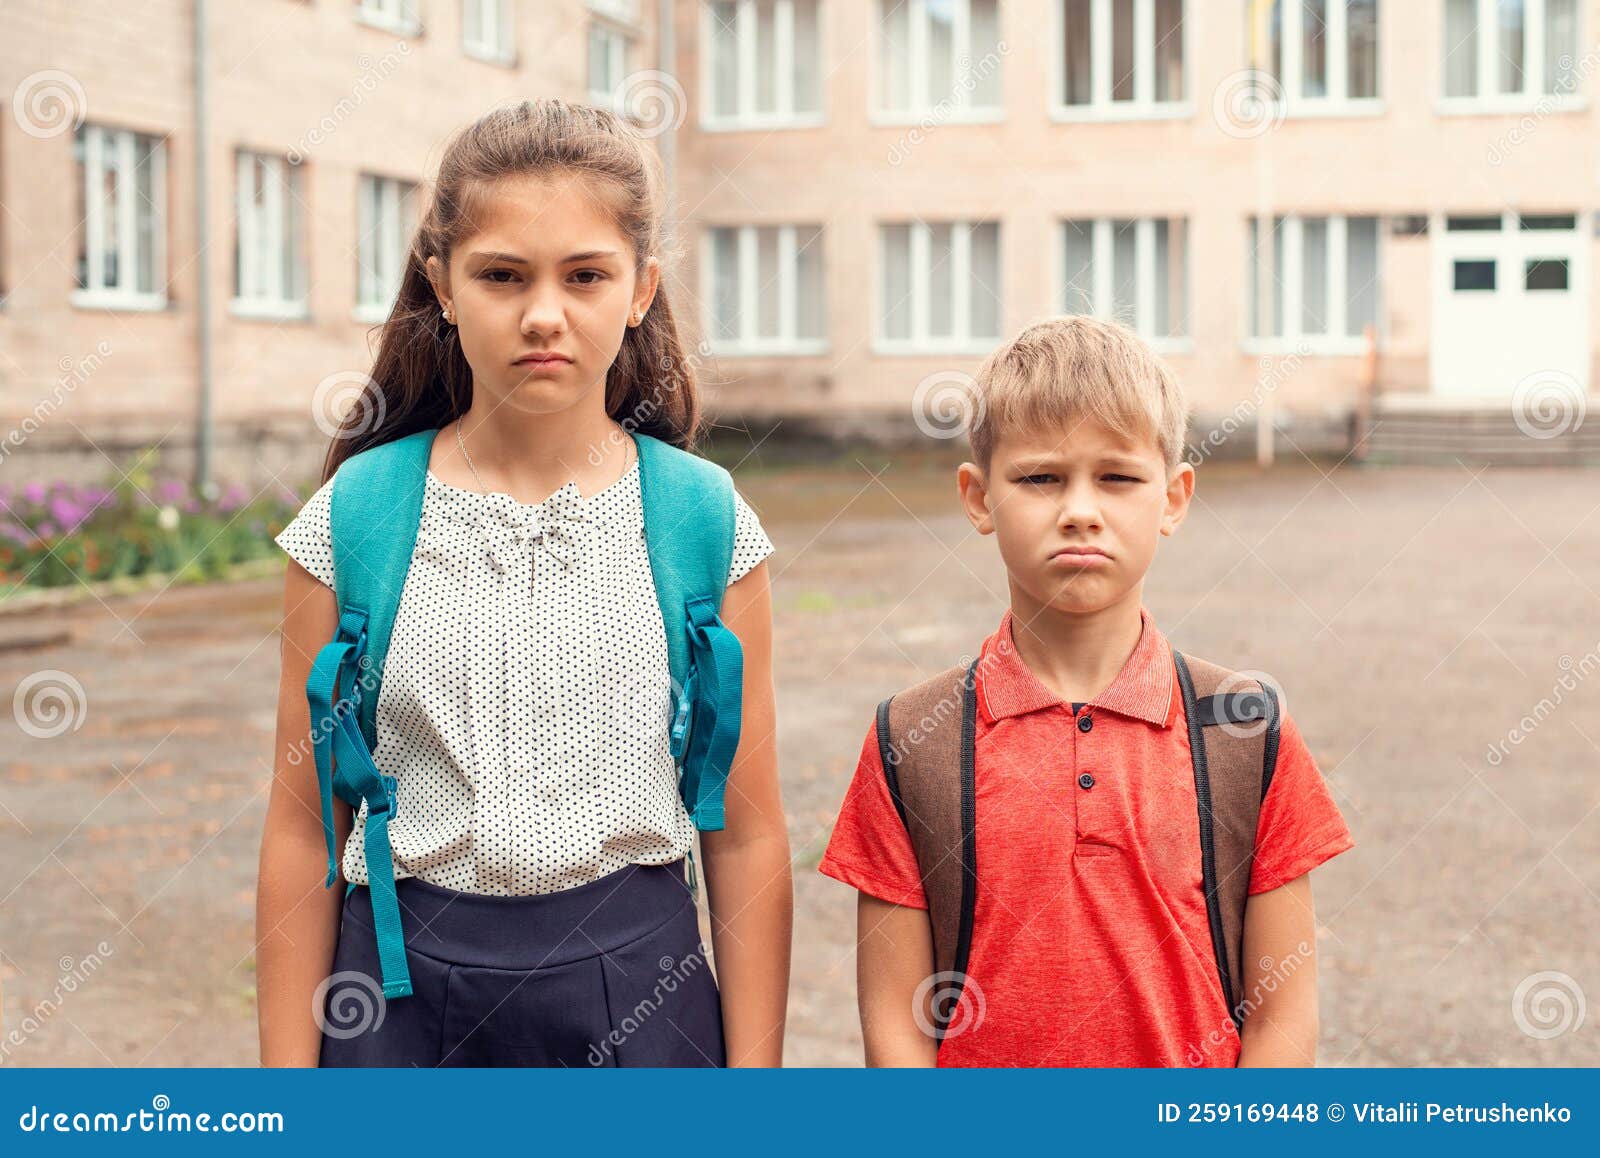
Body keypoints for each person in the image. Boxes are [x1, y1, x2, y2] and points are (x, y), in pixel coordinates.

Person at [257, 100, 791, 1067]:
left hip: (642, 1000)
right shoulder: (354, 517)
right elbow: (301, 834)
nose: (544, 313)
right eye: (502, 275)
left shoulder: (704, 522)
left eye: (585, 275)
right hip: (395, 1008)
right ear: (444, 288)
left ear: (640, 289)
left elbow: (746, 837)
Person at [819, 315, 1353, 1067]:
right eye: (1040, 477)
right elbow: (896, 1029)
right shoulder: (913, 739)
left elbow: (1283, 1023)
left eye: (1118, 477)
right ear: (977, 498)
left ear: (1172, 498)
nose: (1079, 509)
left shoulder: (1245, 730)